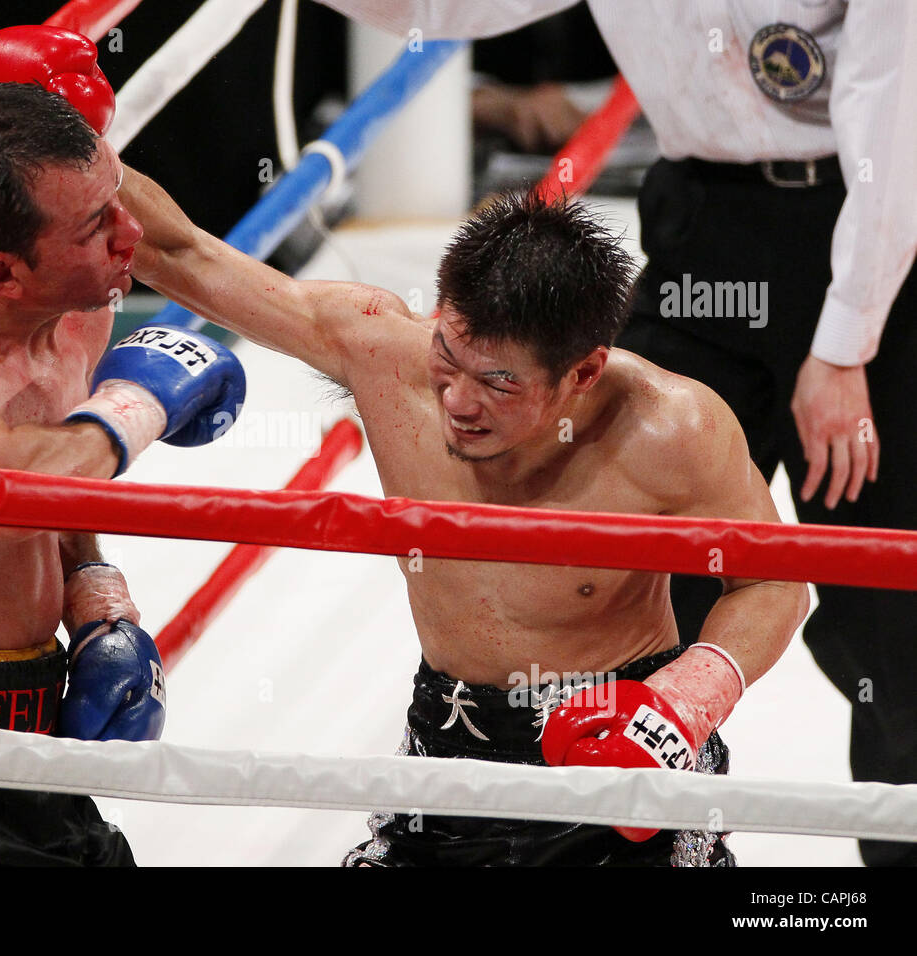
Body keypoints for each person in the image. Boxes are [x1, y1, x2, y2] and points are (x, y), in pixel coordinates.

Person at [318, 0, 917, 868]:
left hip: (864, 238)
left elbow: (894, 120)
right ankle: (618, 834)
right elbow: (449, 5)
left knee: (890, 618)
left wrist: (844, 344)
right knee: (626, 564)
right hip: (699, 228)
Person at [120, 166, 808, 865]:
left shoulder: (672, 428)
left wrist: (683, 702)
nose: (457, 401)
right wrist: (80, 150)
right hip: (450, 740)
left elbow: (774, 581)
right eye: (448, 357)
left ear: (583, 373)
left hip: (619, 740)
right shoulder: (381, 352)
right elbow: (181, 253)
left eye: (499, 383)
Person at [0, 77, 244, 865]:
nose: (132, 233)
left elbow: (61, 481)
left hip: (33, 698)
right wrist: (138, 406)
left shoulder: (81, 311)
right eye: (97, 225)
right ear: (2, 275)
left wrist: (93, 594)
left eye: (116, 199)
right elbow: (5, 487)